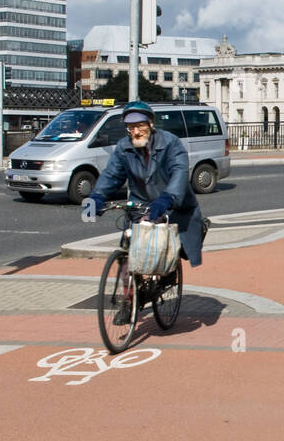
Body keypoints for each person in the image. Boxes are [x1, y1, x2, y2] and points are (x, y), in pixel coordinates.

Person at [83, 101, 209, 323]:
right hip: (140, 204)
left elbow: (179, 174)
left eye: (140, 125)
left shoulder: (171, 144)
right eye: (130, 127)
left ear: (151, 124)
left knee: (165, 249)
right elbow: (112, 175)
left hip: (173, 203)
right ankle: (128, 300)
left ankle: (166, 276)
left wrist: (167, 198)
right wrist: (97, 197)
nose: (135, 131)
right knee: (128, 252)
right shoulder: (124, 147)